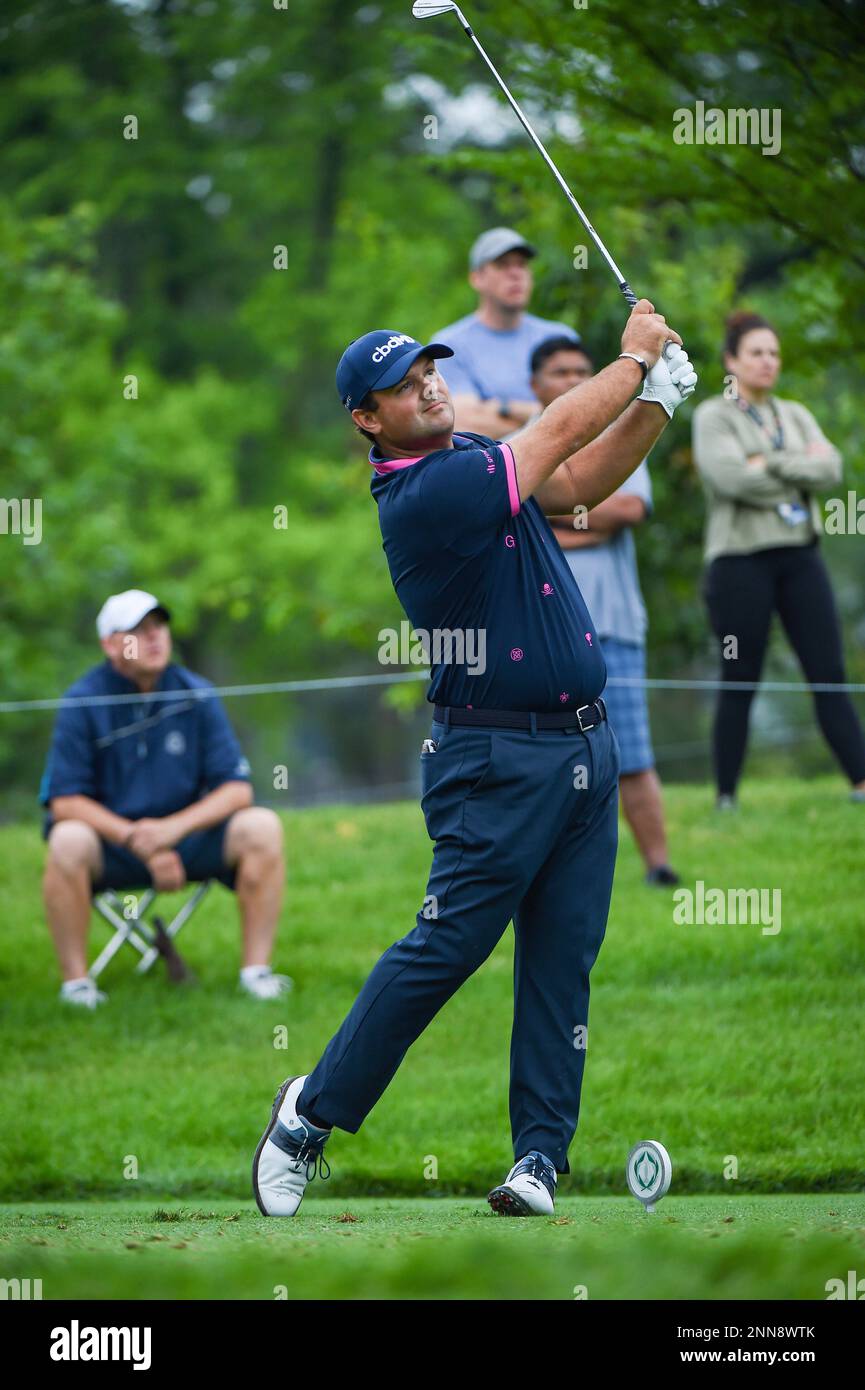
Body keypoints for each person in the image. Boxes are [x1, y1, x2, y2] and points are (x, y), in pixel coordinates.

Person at [252, 305, 697, 1218]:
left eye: (429, 369)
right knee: (447, 945)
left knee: (561, 961)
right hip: (492, 758)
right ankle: (307, 1115)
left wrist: (656, 403)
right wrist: (630, 360)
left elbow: (576, 480)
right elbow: (555, 432)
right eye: (403, 384)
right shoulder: (423, 496)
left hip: (583, 745)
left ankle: (538, 1160)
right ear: (367, 419)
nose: (429, 384)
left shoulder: (467, 460)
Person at [40, 589, 290, 1007]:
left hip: (187, 839)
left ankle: (256, 973)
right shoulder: (81, 702)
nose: (155, 637)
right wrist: (138, 839)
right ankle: (77, 986)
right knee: (67, 839)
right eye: (138, 629)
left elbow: (236, 789)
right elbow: (64, 800)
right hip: (113, 846)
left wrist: (170, 832)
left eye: (159, 626)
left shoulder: (197, 693)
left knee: (262, 825)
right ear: (109, 644)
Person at [692, 311, 865, 807]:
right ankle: (726, 795)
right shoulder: (714, 414)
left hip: (800, 556)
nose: (768, 362)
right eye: (756, 353)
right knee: (739, 674)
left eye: (774, 353)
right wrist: (796, 468)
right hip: (739, 563)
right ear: (732, 360)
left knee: (827, 673)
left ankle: (859, 781)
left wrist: (768, 462)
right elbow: (729, 479)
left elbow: (830, 468)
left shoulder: (794, 412)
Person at [529, 336, 679, 886]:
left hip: (612, 622)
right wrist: (579, 516)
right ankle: (561, 867)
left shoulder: (621, 435)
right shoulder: (518, 446)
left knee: (631, 752)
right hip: (548, 634)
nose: (571, 379)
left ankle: (658, 866)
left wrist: (550, 524)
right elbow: (522, 521)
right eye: (558, 370)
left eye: (581, 370)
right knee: (555, 760)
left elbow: (628, 508)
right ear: (535, 385)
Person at [432, 226, 580, 438]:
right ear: (476, 278)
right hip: (495, 466)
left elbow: (580, 414)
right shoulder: (447, 345)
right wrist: (547, 417)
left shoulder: (561, 338)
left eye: (522, 265)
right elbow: (463, 423)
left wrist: (503, 408)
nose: (515, 273)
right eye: (502, 265)